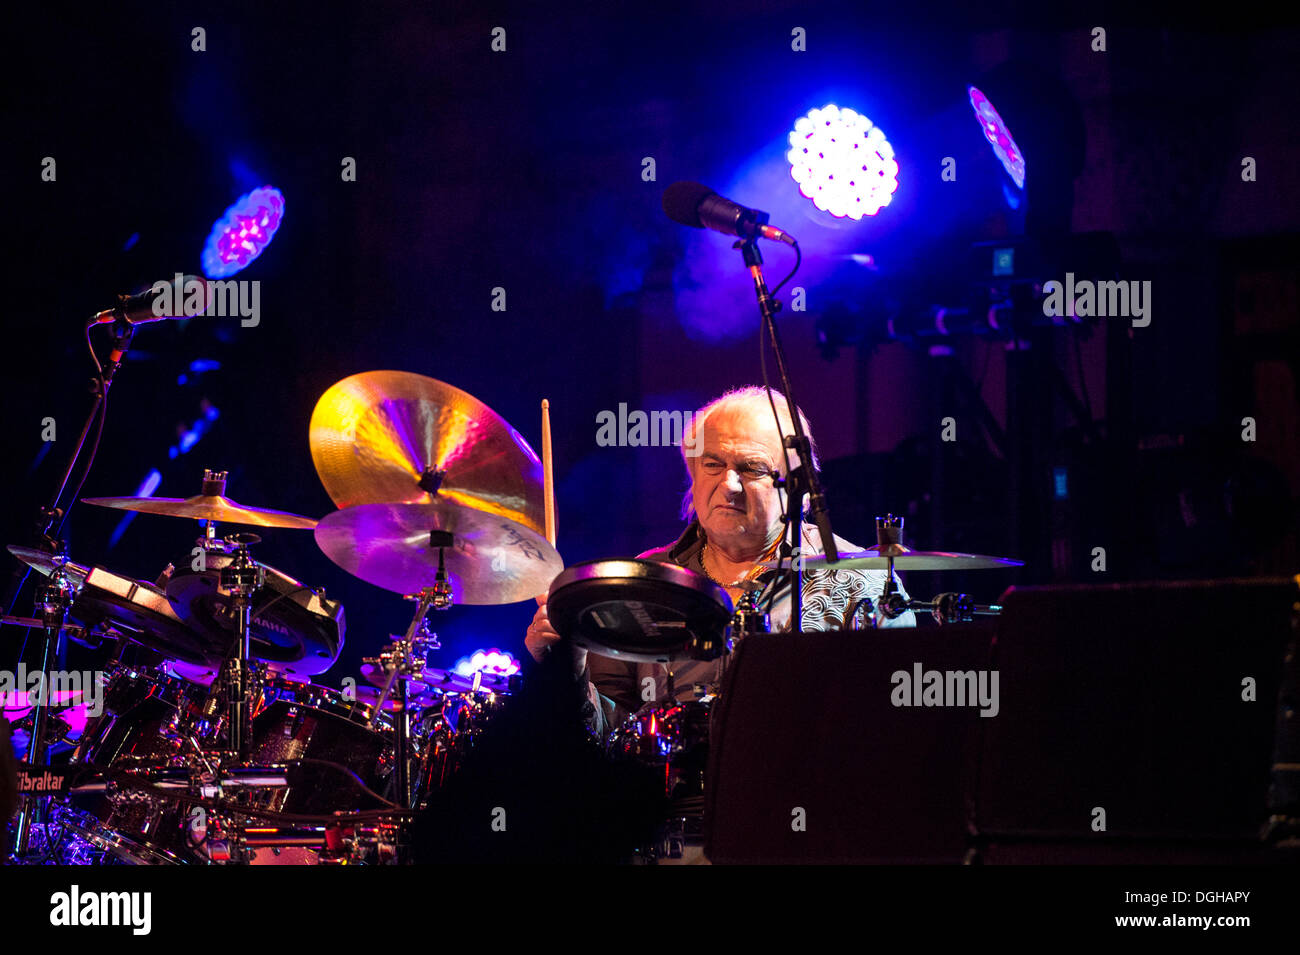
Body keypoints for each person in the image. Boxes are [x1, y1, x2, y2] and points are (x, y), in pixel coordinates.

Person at [525, 386, 916, 736]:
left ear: (797, 485)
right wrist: (569, 670)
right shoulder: (646, 581)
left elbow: (895, 729)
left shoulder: (862, 582)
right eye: (713, 465)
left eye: (751, 468)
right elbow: (606, 740)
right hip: (669, 808)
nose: (729, 485)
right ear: (693, 475)